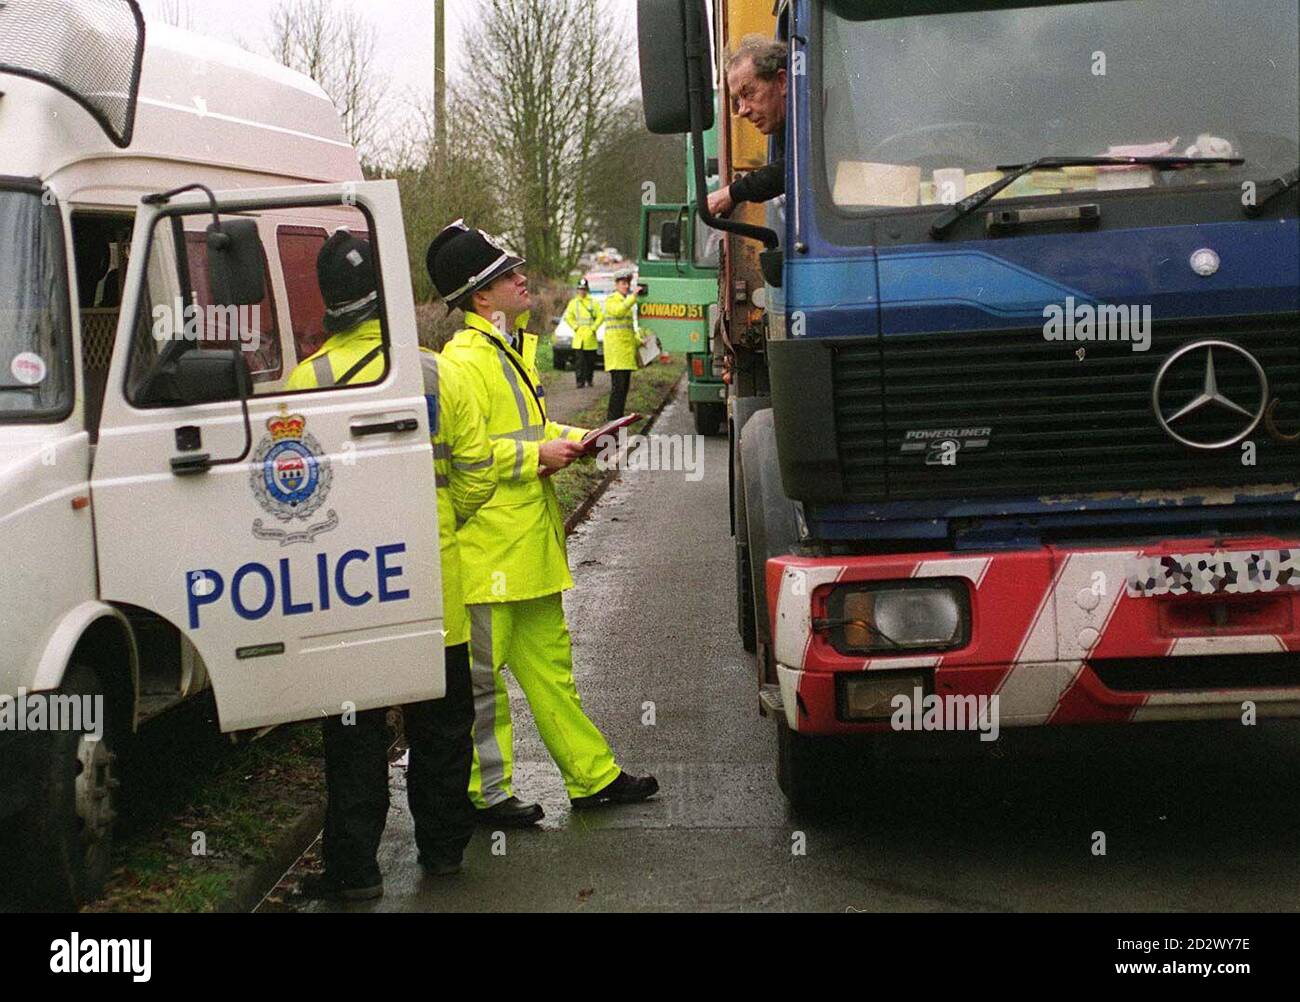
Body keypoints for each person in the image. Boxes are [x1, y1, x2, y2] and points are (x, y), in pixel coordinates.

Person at [427, 220, 659, 827]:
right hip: (486, 555)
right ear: (482, 297)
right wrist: (538, 456)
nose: (523, 279)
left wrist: (578, 438)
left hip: (525, 549)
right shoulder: (465, 362)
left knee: (553, 676)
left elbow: (526, 431)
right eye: (508, 275)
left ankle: (592, 778)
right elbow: (469, 454)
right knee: (484, 692)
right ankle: (487, 796)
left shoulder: (502, 352)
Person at [289, 229, 497, 899]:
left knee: (354, 733)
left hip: (351, 589)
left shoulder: (307, 381)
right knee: (441, 726)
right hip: (436, 583)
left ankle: (354, 872)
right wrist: (445, 525)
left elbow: (294, 498)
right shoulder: (437, 371)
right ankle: (442, 852)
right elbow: (477, 471)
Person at [706, 35, 788, 218]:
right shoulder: (785, 128)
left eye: (748, 93)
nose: (742, 111)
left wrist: (732, 194)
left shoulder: (820, 119)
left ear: (782, 82)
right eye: (737, 100)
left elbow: (796, 164)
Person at [601, 271, 642, 422]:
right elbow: (618, 312)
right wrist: (633, 297)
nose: (626, 286)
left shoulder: (626, 302)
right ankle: (612, 421)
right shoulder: (612, 300)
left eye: (628, 284)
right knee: (617, 390)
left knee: (623, 390)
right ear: (616, 285)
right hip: (616, 354)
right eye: (623, 283)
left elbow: (629, 329)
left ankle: (617, 421)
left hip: (625, 354)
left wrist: (639, 341)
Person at [563, 278, 603, 388]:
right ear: (577, 290)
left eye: (584, 289)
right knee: (579, 362)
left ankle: (589, 379)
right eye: (580, 289)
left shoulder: (593, 303)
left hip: (590, 337)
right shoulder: (573, 303)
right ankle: (579, 381)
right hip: (579, 338)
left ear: (587, 290)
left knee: (590, 361)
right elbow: (568, 317)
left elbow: (600, 316)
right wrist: (575, 327)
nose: (582, 291)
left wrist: (594, 328)